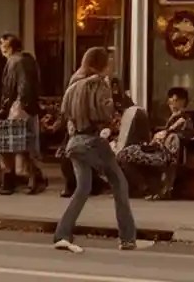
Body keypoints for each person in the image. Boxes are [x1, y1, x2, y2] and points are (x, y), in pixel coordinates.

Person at [54, 47, 142, 253]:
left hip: (74, 142)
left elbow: (64, 115)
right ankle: (127, 237)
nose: (110, 66)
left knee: (82, 188)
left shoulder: (73, 84)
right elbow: (103, 112)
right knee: (119, 183)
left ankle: (62, 233)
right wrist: (112, 112)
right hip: (93, 140)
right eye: (108, 62)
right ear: (100, 64)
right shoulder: (97, 83)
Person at [0, 33, 47, 195]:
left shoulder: (14, 61)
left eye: (3, 46)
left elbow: (12, 87)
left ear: (9, 47)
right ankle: (32, 178)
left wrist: (6, 107)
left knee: (10, 144)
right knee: (25, 144)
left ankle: (12, 179)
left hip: (18, 107)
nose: (1, 49)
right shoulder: (28, 60)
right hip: (27, 107)